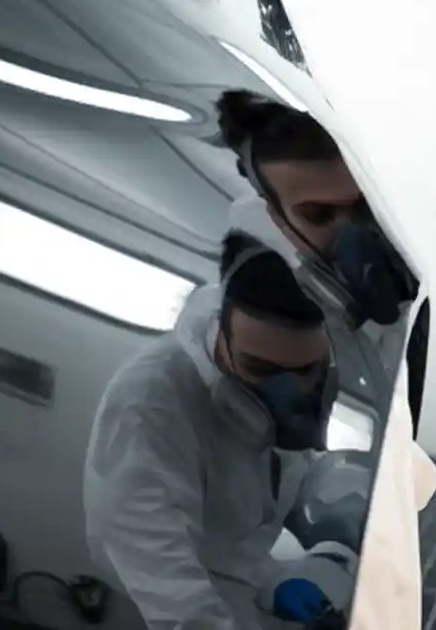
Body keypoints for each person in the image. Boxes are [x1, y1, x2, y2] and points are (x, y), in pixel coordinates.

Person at [216, 90, 436, 630]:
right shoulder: (251, 275)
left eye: (362, 208)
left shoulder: (411, 238)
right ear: (277, 215)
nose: (354, 239)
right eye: (318, 216)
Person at [84, 232, 354, 629]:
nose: (288, 393)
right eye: (262, 369)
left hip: (231, 579)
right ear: (221, 332)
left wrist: (272, 579)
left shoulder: (296, 386)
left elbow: (242, 530)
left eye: (305, 371)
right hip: (158, 595)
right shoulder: (150, 399)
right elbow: (157, 561)